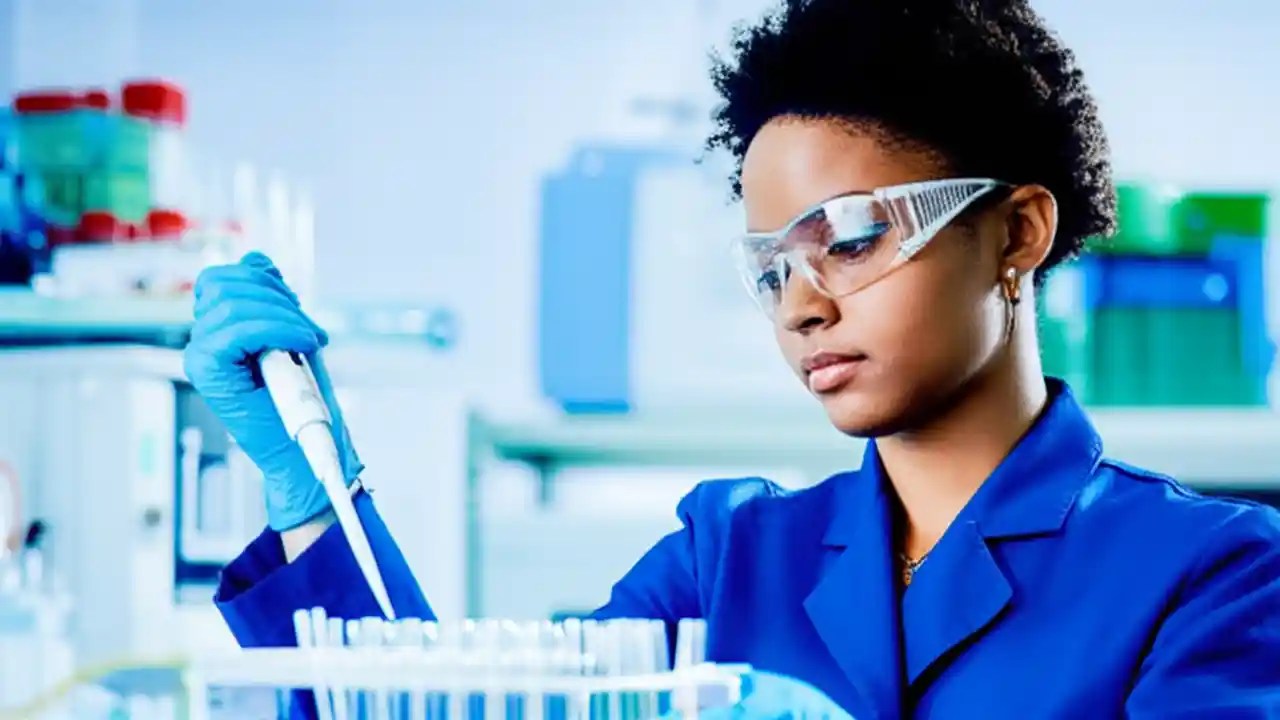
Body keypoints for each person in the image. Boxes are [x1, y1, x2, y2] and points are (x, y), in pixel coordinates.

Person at [184, 0, 1280, 717]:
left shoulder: (1210, 574)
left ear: (1018, 233)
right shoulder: (729, 556)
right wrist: (316, 492)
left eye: (849, 239)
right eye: (769, 268)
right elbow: (456, 706)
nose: (801, 307)